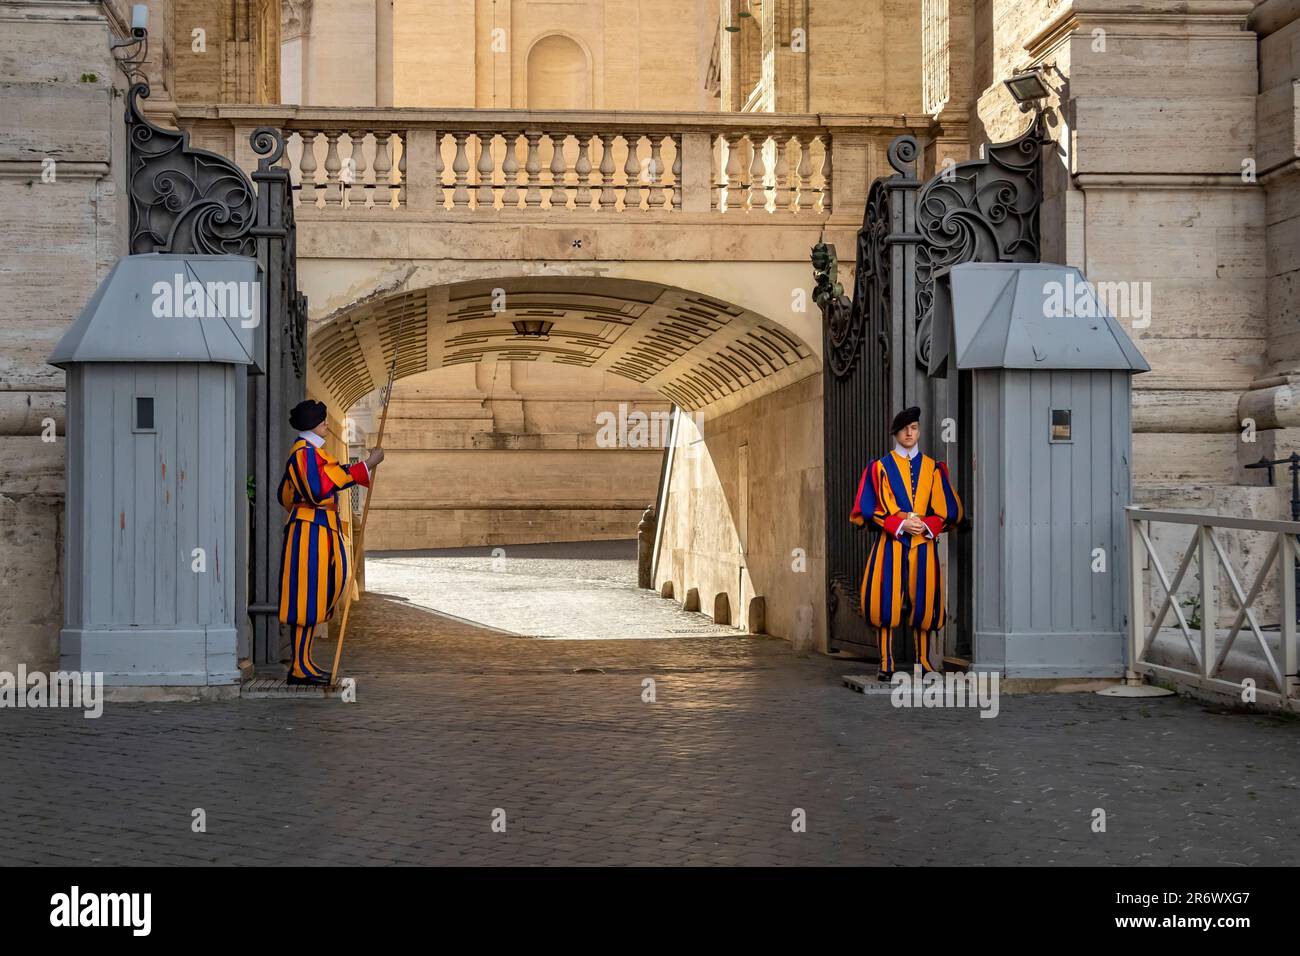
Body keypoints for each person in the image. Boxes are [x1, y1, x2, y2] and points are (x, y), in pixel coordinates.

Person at [849, 406, 964, 681]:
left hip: (923, 544)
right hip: (890, 545)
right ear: (896, 433)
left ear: (919, 431)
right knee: (885, 601)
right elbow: (867, 508)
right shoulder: (879, 468)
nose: (909, 433)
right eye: (904, 429)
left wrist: (926, 525)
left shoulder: (933, 468)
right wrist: (898, 523)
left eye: (913, 428)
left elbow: (949, 511)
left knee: (925, 604)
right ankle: (886, 663)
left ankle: (924, 662)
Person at [278, 399, 385, 686]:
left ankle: (305, 661)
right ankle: (299, 667)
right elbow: (317, 488)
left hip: (318, 530)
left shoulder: (311, 453)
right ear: (313, 423)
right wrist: (365, 466)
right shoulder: (303, 454)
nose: (327, 425)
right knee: (305, 599)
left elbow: (286, 494)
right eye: (323, 421)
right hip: (309, 532)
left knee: (316, 596)